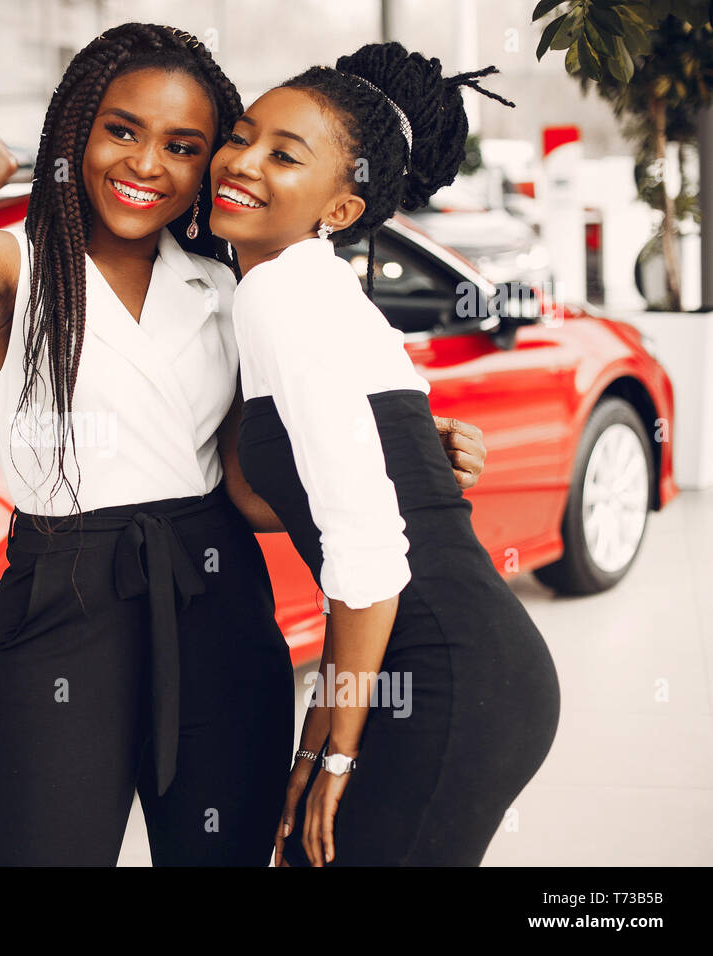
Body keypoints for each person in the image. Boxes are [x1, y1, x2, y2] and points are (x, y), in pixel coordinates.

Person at [0, 23, 487, 867]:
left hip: (221, 600)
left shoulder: (228, 284)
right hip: (65, 605)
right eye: (121, 130)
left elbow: (252, 493)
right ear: (75, 132)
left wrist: (400, 449)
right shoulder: (4, 265)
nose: (146, 165)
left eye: (184, 145)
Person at [208, 41, 560, 866]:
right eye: (243, 134)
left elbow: (366, 547)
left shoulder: (283, 293)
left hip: (444, 670)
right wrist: (323, 729)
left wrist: (333, 746)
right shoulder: (308, 291)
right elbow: (273, 496)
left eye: (284, 155)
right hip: (454, 659)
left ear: (339, 210)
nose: (242, 161)